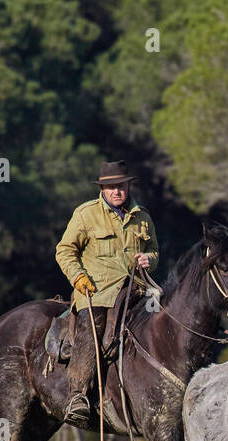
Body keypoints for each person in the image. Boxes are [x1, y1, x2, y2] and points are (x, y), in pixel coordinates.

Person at [54, 160, 159, 419]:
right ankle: (77, 395)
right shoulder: (85, 214)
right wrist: (78, 277)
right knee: (94, 326)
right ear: (102, 188)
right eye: (111, 187)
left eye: (120, 186)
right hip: (98, 293)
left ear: (128, 185)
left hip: (136, 290)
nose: (116, 191)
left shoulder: (143, 216)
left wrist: (150, 260)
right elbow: (65, 250)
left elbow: (154, 251)